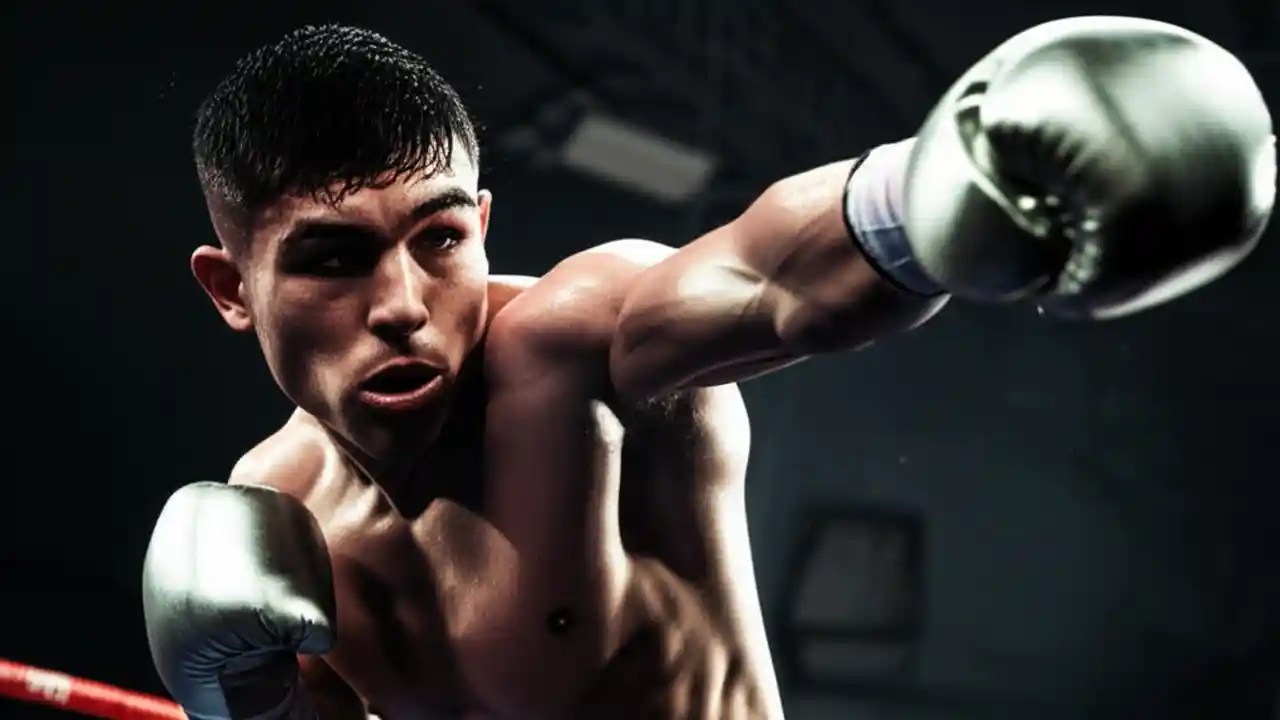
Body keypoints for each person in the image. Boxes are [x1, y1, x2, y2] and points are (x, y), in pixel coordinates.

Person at [141, 17, 1274, 720]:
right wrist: (249, 704)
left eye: (439, 239)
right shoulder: (274, 515)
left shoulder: (571, 353)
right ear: (232, 288)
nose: (402, 305)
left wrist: (929, 195)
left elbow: (765, 276)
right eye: (334, 259)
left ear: (482, 225)